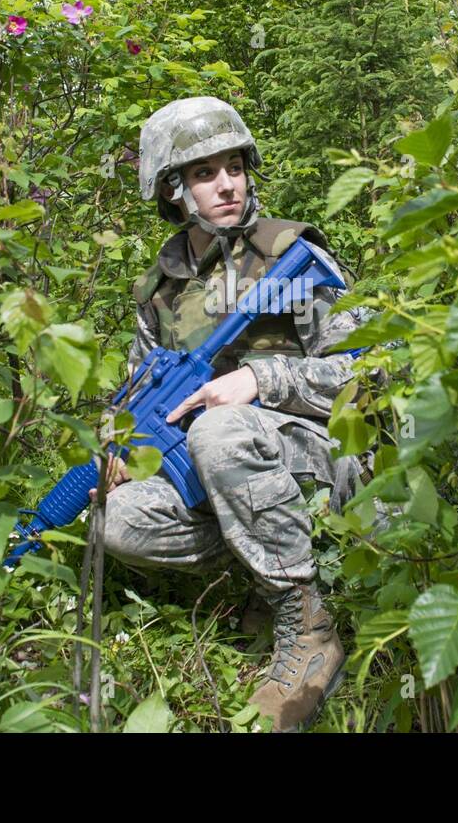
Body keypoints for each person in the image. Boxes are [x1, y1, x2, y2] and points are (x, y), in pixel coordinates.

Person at [91, 94, 367, 732]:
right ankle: (261, 577)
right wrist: (124, 446)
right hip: (220, 472)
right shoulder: (160, 290)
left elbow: (369, 375)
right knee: (115, 520)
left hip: (318, 461)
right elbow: (144, 394)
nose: (226, 185)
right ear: (172, 190)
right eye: (203, 173)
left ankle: (309, 625)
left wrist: (260, 378)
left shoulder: (290, 258)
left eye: (234, 168)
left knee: (220, 427)